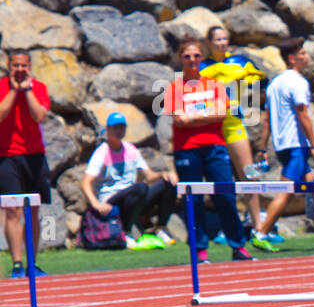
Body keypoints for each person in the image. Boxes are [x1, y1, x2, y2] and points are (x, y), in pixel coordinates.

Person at [164, 38, 254, 262]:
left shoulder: (214, 86)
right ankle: (199, 249)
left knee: (225, 195)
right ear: (180, 58)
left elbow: (221, 114)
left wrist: (194, 116)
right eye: (187, 56)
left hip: (215, 146)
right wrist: (206, 116)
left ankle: (237, 245)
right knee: (194, 200)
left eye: (196, 56)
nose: (192, 60)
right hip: (187, 149)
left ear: (202, 57)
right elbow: (179, 120)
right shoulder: (175, 88)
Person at [249, 38, 314, 251]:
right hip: (296, 145)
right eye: (303, 54)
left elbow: (267, 118)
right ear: (292, 58)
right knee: (286, 192)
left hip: (282, 146)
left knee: (312, 189)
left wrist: (263, 148)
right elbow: (303, 115)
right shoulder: (298, 82)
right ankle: (261, 233)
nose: (307, 57)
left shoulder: (275, 83)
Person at [202, 26, 269, 242]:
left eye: (225, 39)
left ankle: (258, 226)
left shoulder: (239, 61)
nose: (222, 43)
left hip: (234, 124)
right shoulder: (203, 66)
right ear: (209, 42)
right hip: (212, 126)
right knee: (221, 179)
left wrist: (244, 77)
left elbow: (260, 78)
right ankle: (228, 227)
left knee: (249, 173)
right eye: (218, 40)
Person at [81, 112, 178, 250]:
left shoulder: (130, 149)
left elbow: (149, 176)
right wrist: (96, 204)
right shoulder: (102, 152)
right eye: (115, 128)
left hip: (132, 198)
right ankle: (125, 232)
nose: (119, 131)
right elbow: (85, 183)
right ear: (108, 130)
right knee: (140, 188)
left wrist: (165, 174)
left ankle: (160, 228)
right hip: (111, 200)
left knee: (168, 183)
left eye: (122, 127)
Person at [0, 49, 51, 278]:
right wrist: (13, 91)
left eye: (23, 65)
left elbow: (39, 115)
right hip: (7, 156)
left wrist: (27, 91)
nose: (19, 70)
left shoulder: (39, 88)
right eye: (15, 66)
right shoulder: (2, 87)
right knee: (13, 210)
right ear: (9, 66)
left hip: (35, 156)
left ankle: (33, 263)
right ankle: (17, 264)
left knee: (33, 210)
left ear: (29, 66)